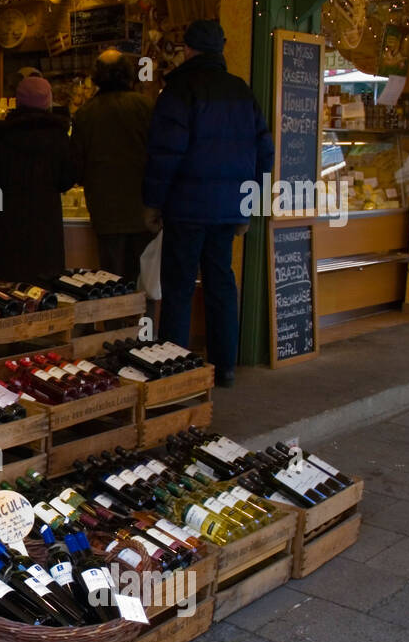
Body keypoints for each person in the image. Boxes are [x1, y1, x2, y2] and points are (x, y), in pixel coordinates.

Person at [142, 20, 273, 388]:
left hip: (186, 207)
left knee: (179, 286)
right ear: (221, 49)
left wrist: (152, 203)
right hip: (228, 208)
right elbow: (266, 150)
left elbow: (165, 154)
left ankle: (176, 370)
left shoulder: (179, 90)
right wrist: (250, 204)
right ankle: (225, 368)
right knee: (221, 283)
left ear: (187, 50)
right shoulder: (241, 92)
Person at [70, 49, 155, 281]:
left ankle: (115, 318)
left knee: (111, 280)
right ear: (128, 74)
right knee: (142, 278)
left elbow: (76, 166)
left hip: (105, 212)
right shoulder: (146, 108)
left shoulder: (85, 114)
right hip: (143, 210)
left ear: (96, 77)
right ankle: (141, 318)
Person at [0, 75, 75, 280]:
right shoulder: (59, 136)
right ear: (48, 101)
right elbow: (67, 179)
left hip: (8, 220)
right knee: (45, 288)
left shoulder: (0, 135)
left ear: (18, 101)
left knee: (8, 285)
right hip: (47, 222)